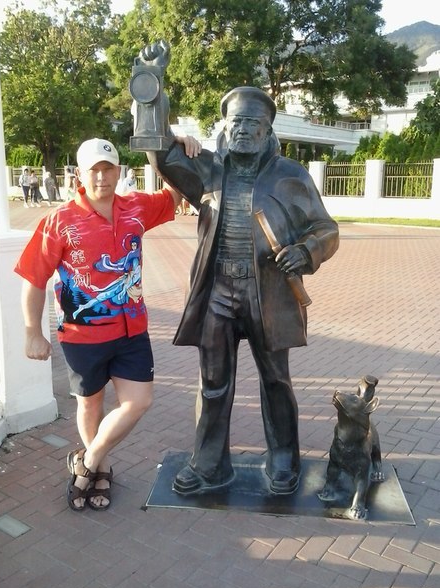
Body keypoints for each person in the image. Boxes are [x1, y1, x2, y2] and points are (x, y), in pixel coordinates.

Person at [138, 42, 340, 496]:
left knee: (276, 381)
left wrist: (307, 250)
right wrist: (151, 89)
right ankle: (209, 464)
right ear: (224, 129)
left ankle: (284, 460)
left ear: (268, 131)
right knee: (213, 383)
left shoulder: (291, 176)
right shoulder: (208, 171)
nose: (244, 130)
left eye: (254, 123)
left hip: (269, 294)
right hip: (219, 293)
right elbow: (158, 151)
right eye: (236, 123)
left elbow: (327, 229)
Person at [15, 135, 201, 512]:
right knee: (91, 405)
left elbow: (174, 193)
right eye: (94, 170)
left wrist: (174, 146)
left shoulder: (136, 207)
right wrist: (32, 331)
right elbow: (34, 279)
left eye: (108, 169)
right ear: (80, 176)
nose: (101, 177)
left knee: (139, 401)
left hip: (132, 331)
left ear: (118, 172)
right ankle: (100, 469)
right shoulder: (59, 221)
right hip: (82, 335)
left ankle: (87, 460)